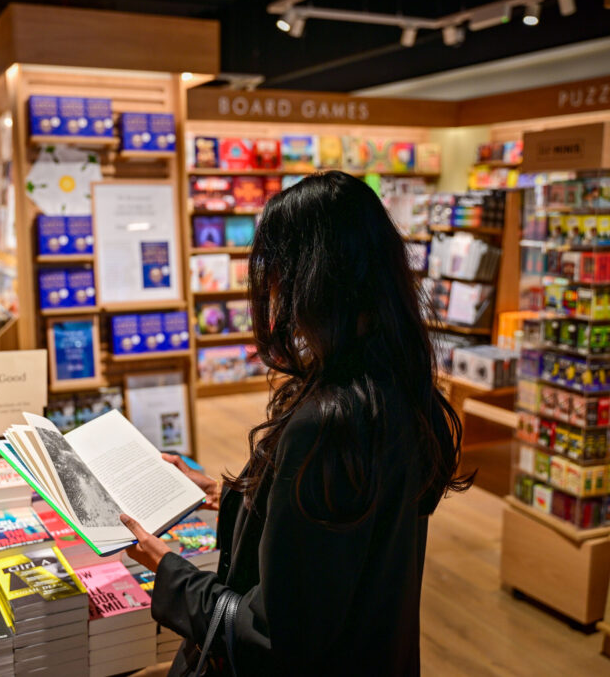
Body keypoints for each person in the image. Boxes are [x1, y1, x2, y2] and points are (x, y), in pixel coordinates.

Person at [121, 171, 473, 676]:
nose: (271, 288)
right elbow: (343, 542)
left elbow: (274, 636)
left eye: (276, 269)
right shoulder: (397, 389)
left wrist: (167, 569)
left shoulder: (328, 422)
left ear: (310, 279)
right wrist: (239, 494)